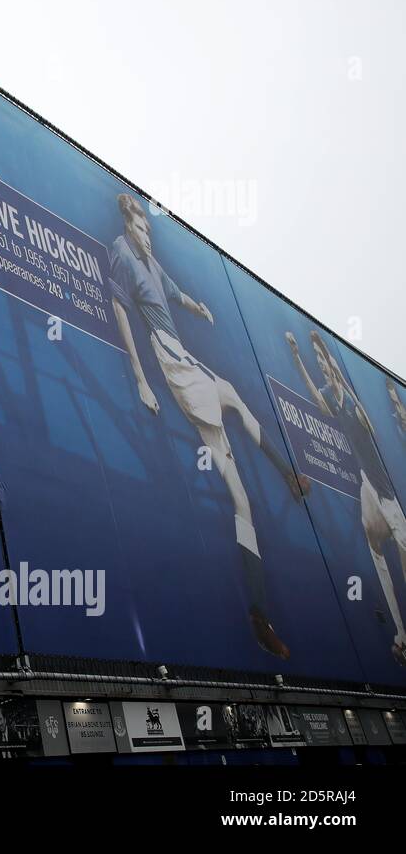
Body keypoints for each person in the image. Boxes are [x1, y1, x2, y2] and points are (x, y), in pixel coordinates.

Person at [109, 194, 306, 659]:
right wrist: (141, 381)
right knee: (234, 394)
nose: (146, 236)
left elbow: (177, 294)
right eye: (141, 228)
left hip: (184, 355)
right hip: (171, 361)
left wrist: (199, 307)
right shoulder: (121, 253)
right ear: (128, 224)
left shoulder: (153, 264)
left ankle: (259, 616)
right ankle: (288, 474)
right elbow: (122, 312)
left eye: (149, 230)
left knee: (242, 502)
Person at [288, 331, 406, 666]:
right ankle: (400, 635)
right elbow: (318, 400)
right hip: (368, 484)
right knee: (374, 548)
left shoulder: (353, 403)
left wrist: (342, 375)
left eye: (322, 358)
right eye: (318, 360)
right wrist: (298, 358)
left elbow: (369, 425)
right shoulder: (330, 396)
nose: (321, 365)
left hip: (387, 492)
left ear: (331, 363)